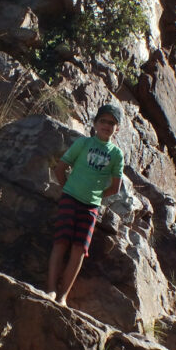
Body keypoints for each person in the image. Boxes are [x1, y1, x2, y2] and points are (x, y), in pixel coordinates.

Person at [47, 104, 124, 306]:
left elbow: (115, 188)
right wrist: (68, 189)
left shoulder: (117, 155)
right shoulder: (83, 143)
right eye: (103, 121)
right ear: (95, 123)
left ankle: (63, 296)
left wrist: (96, 196)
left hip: (91, 207)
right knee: (61, 242)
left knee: (79, 250)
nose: (107, 125)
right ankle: (51, 291)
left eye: (112, 123)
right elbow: (60, 168)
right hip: (70, 199)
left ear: (118, 128)